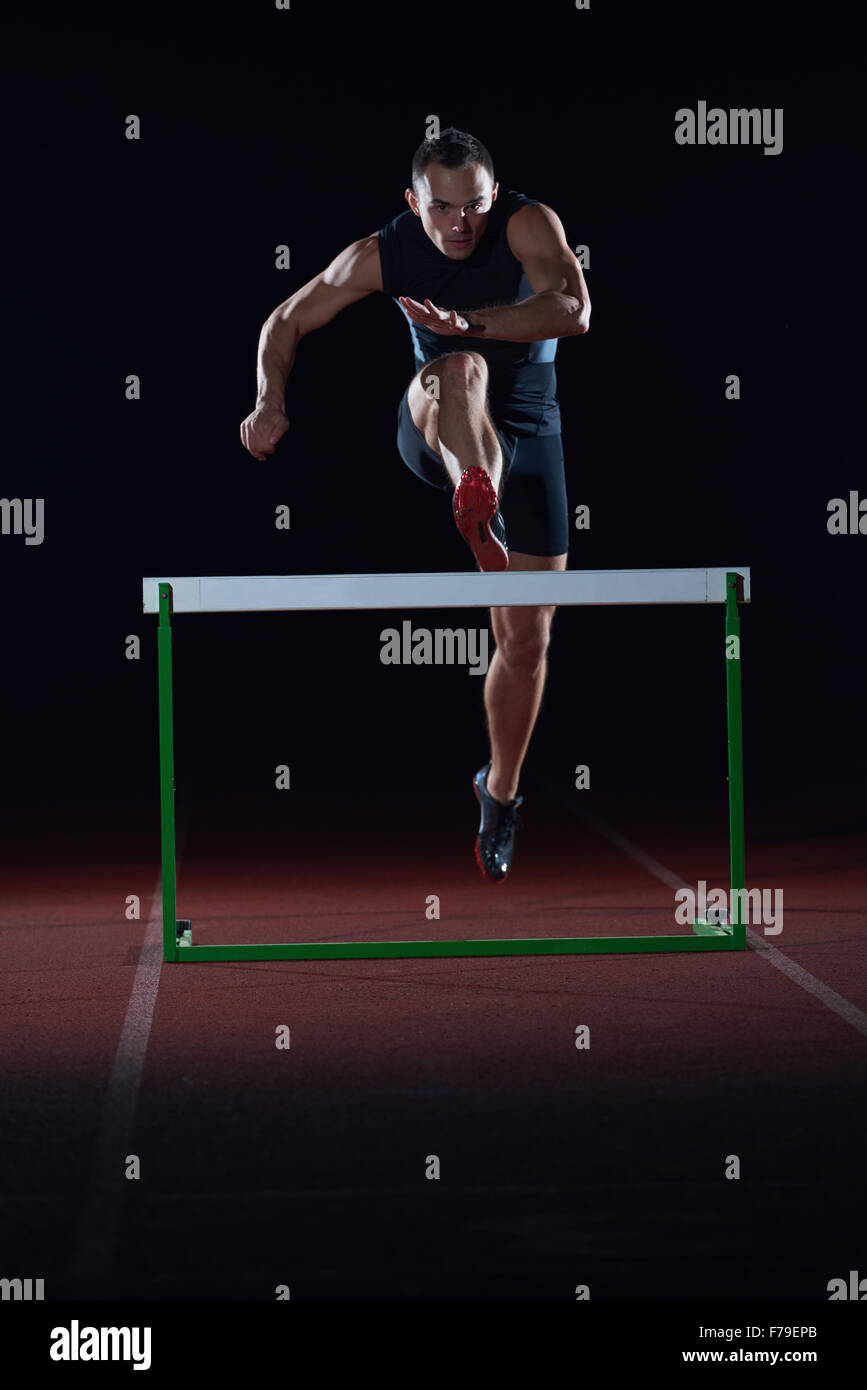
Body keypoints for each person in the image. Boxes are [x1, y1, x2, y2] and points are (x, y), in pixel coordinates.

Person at [240, 127, 590, 882]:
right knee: (457, 369)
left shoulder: (529, 223)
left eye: (474, 206)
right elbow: (285, 319)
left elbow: (572, 307)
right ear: (413, 201)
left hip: (533, 438)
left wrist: (475, 320)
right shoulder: (382, 251)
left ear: (494, 195)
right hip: (437, 421)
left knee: (525, 643)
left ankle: (498, 792)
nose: (460, 223)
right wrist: (269, 400)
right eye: (441, 208)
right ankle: (475, 490)